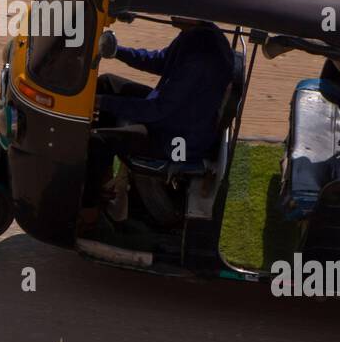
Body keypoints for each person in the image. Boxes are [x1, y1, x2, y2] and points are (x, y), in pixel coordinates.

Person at [83, 18, 234, 217]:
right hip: (173, 116)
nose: (171, 12)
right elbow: (162, 60)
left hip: (176, 140)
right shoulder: (197, 34)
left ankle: (88, 212)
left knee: (97, 140)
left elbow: (155, 111)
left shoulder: (201, 57)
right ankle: (106, 184)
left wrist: (102, 102)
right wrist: (118, 51)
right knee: (107, 83)